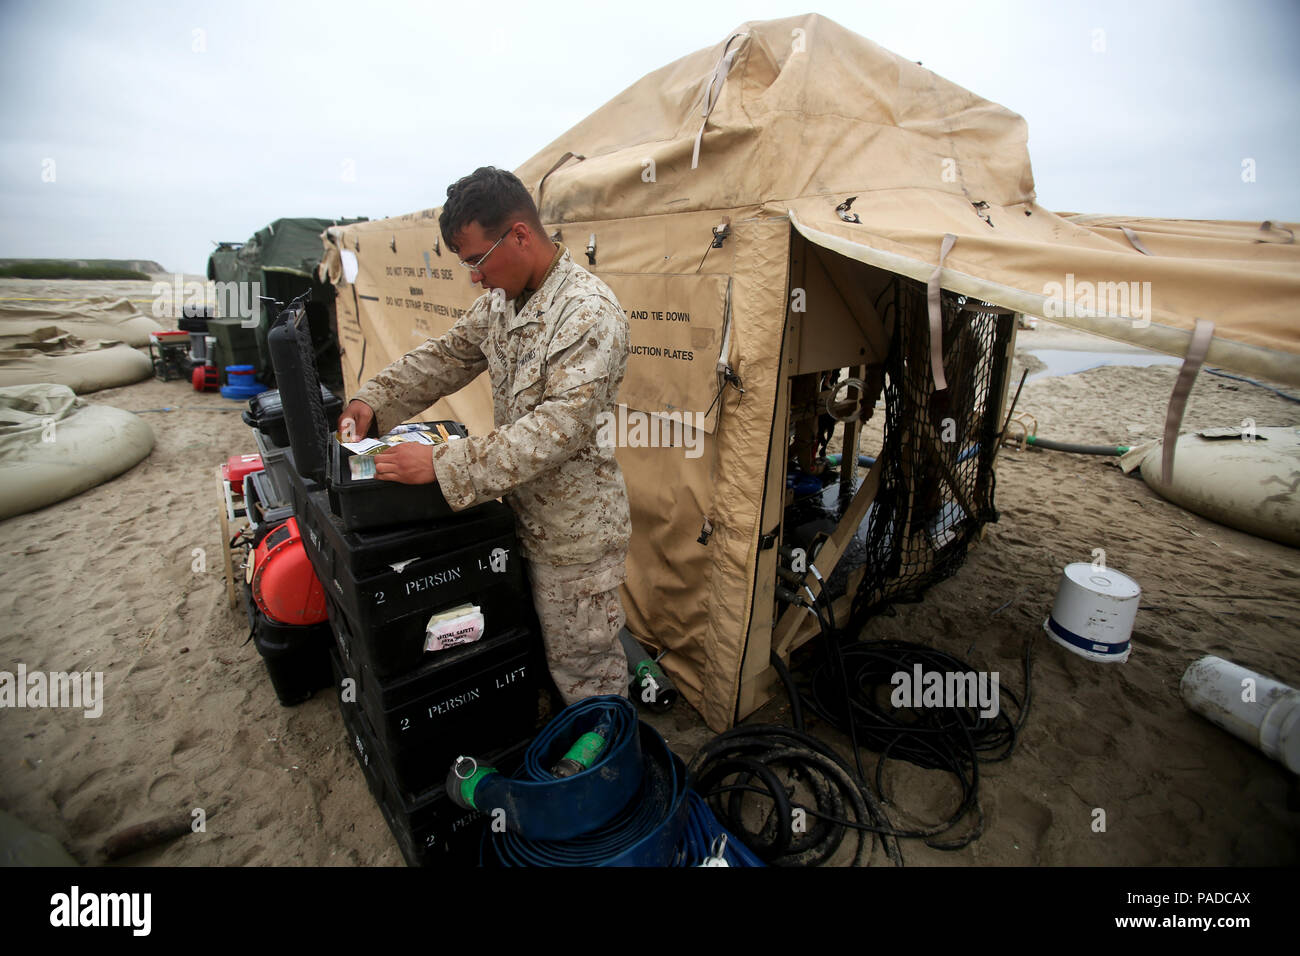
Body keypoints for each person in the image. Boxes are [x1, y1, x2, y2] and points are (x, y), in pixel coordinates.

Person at [337, 166, 631, 704]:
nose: (474, 276)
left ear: (519, 235)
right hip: (519, 515)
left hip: (574, 540)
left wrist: (441, 463)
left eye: (477, 259)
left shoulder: (588, 313)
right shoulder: (502, 302)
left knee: (586, 675)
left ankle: (604, 753)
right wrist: (373, 400)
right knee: (536, 657)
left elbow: (556, 430)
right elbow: (446, 356)